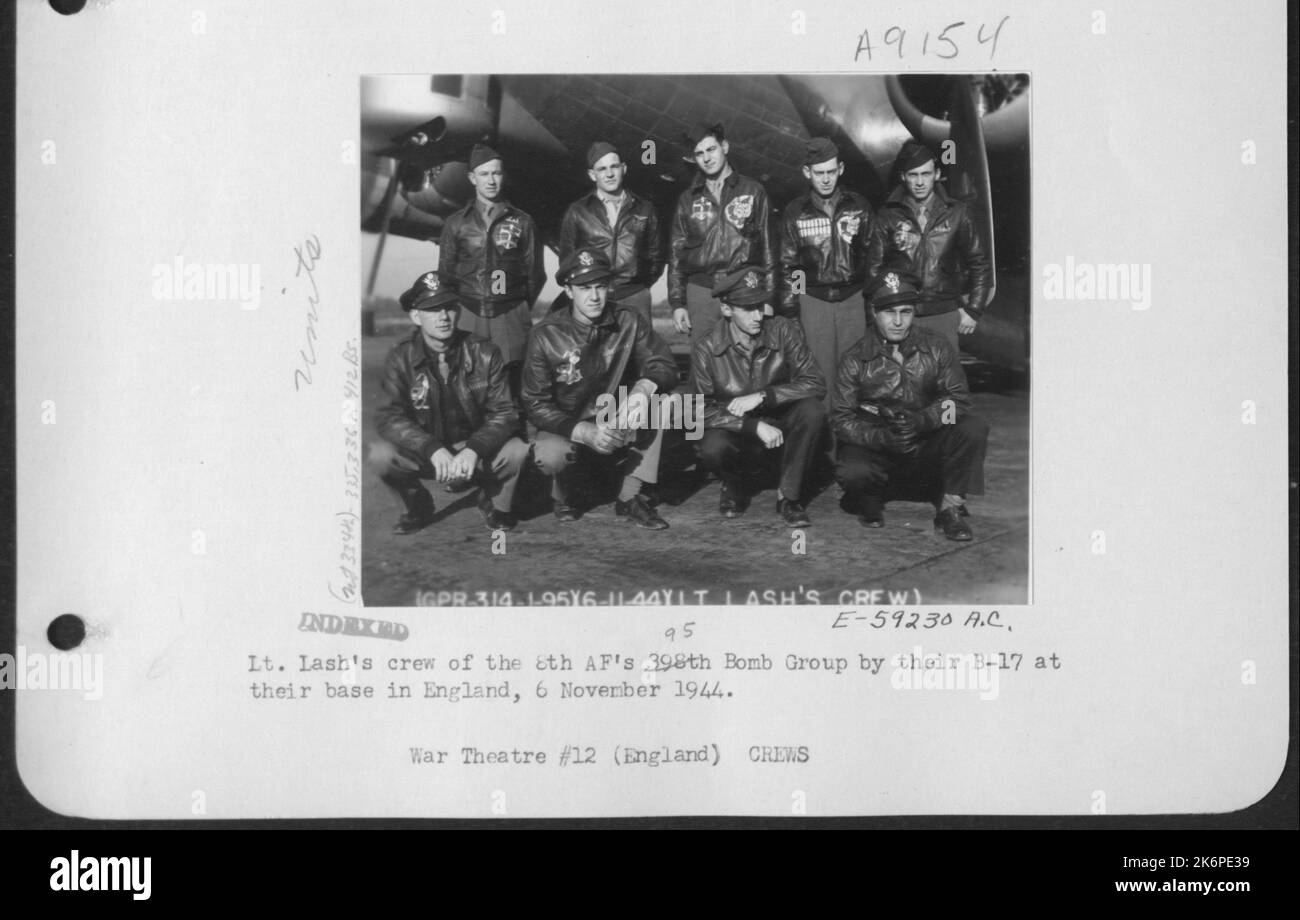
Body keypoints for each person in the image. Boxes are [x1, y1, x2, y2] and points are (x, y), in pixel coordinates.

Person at [522, 248, 680, 530]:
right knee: (550, 455)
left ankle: (630, 496)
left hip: (614, 417)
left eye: (600, 287)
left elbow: (665, 364)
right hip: (567, 424)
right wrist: (583, 431)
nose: (594, 297)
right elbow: (535, 404)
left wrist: (643, 388)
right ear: (569, 291)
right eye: (584, 288)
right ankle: (564, 496)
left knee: (667, 403)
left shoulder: (629, 320)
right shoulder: (545, 334)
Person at [832, 270, 989, 541]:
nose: (897, 321)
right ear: (874, 313)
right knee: (852, 469)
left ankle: (949, 509)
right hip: (881, 448)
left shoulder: (936, 347)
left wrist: (923, 420)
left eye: (905, 312)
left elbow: (958, 399)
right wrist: (882, 436)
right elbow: (841, 419)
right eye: (889, 313)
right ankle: (870, 498)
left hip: (926, 442)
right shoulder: (855, 358)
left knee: (973, 427)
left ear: (914, 312)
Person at [370, 271, 530, 534]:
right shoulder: (401, 357)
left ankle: (494, 503)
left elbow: (505, 412)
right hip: (428, 450)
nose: (443, 317)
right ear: (415, 316)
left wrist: (474, 449)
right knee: (379, 455)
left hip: (476, 449)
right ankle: (417, 507)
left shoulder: (485, 353)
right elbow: (389, 416)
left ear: (458, 311)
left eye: (448, 308)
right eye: (432, 309)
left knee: (517, 451)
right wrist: (429, 447)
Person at [692, 267, 827, 528]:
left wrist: (765, 396)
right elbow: (697, 411)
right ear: (727, 309)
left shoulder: (783, 330)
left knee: (812, 411)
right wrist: (751, 425)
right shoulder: (706, 347)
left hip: (779, 424)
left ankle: (789, 496)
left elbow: (815, 383)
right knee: (710, 446)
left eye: (760, 305)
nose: (758, 315)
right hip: (737, 430)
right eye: (747, 308)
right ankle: (733, 484)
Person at [436, 143, 546, 394]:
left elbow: (535, 273)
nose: (491, 180)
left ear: (503, 176)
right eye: (484, 174)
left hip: (510, 313)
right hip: (468, 311)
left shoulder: (523, 221)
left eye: (496, 173)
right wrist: (464, 304)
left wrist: (515, 303)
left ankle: (517, 432)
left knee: (513, 383)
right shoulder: (455, 223)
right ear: (472, 178)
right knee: (469, 381)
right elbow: (446, 273)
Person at [866, 140, 991, 350]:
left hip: (944, 314)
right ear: (903, 177)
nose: (920, 182)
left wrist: (973, 310)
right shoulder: (888, 215)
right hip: (903, 313)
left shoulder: (958, 213)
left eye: (925, 174)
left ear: (936, 174)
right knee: (902, 379)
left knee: (945, 379)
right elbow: (874, 272)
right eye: (913, 175)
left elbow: (979, 264)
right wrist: (874, 319)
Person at [778, 137, 875, 406]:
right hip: (814, 300)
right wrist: (793, 312)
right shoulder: (795, 212)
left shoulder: (859, 206)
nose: (825, 179)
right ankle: (825, 445)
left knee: (854, 376)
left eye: (831, 172)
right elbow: (790, 267)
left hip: (852, 299)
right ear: (807, 173)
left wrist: (871, 307)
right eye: (819, 173)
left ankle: (853, 442)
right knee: (819, 379)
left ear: (840, 169)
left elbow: (872, 259)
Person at [668, 122, 774, 346]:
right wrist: (677, 303)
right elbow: (676, 254)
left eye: (711, 149)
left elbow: (769, 249)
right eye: (699, 154)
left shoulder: (753, 191)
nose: (706, 158)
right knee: (704, 363)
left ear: (724, 147)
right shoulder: (688, 199)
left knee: (747, 360)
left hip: (743, 288)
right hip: (702, 292)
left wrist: (769, 298)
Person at [558, 141, 665, 322]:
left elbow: (656, 256)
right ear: (592, 175)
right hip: (594, 296)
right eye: (602, 169)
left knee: (640, 349)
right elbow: (567, 259)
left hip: (634, 295)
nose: (609, 174)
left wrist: (638, 285)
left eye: (614, 167)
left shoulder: (645, 209)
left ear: (623, 169)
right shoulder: (578, 211)